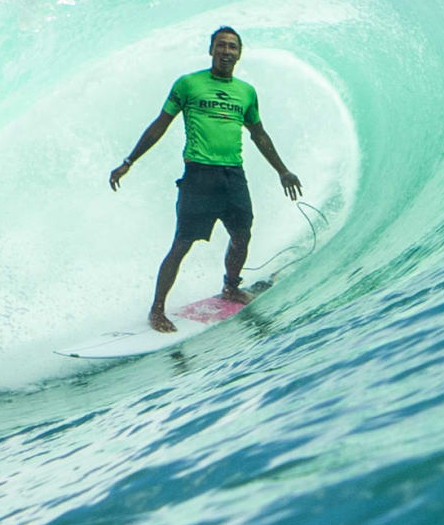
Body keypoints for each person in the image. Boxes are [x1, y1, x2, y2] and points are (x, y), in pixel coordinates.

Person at [109, 25, 304, 330]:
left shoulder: (246, 92)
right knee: (182, 243)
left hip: (233, 175)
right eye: (222, 46)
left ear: (239, 54)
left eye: (233, 47)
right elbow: (160, 124)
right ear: (211, 49)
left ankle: (230, 286)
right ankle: (157, 309)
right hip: (199, 175)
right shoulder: (188, 84)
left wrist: (283, 170)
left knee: (242, 234)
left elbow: (259, 135)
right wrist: (129, 161)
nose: (227, 51)